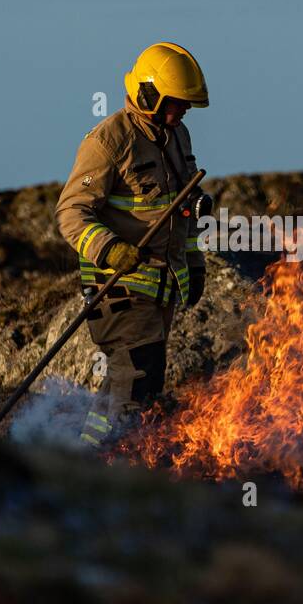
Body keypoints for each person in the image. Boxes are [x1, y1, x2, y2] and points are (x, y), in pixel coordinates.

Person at [56, 43, 209, 447]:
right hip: (118, 290)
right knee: (139, 386)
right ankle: (120, 472)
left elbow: (183, 208)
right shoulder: (108, 142)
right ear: (148, 94)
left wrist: (193, 262)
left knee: (120, 388)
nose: (181, 113)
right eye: (176, 103)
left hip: (160, 291)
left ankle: (85, 458)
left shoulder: (177, 137)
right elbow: (71, 214)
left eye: (185, 106)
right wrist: (111, 250)